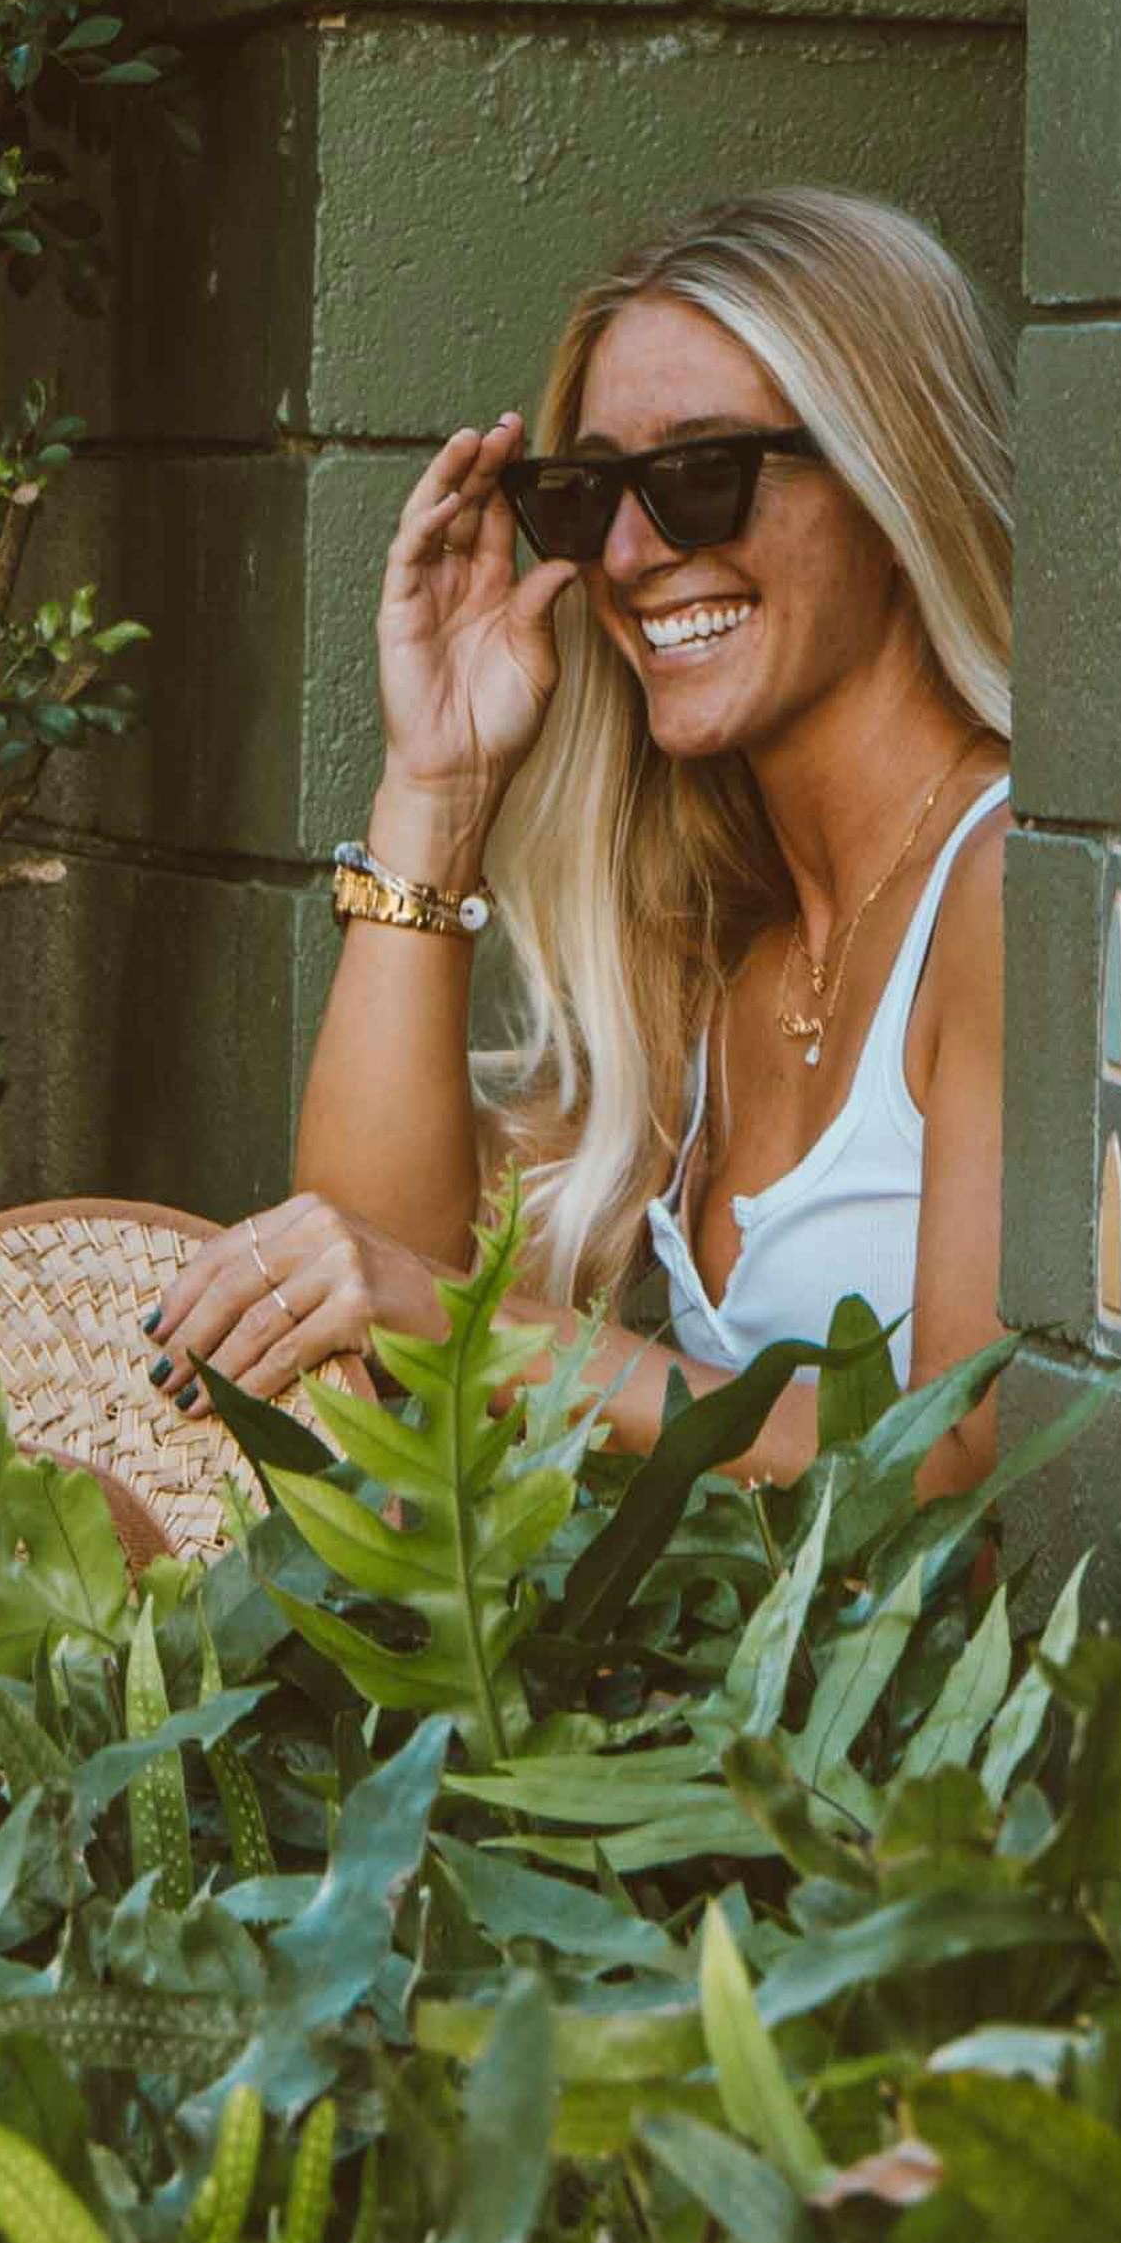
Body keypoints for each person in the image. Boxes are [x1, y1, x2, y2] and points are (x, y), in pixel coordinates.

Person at [148, 183, 1013, 1486]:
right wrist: (434, 795)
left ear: (890, 480)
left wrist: (474, 1327)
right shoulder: (718, 931)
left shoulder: (1008, 882)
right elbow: (375, 1293)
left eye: (700, 478)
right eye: (590, 491)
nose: (626, 551)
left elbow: (964, 1477)